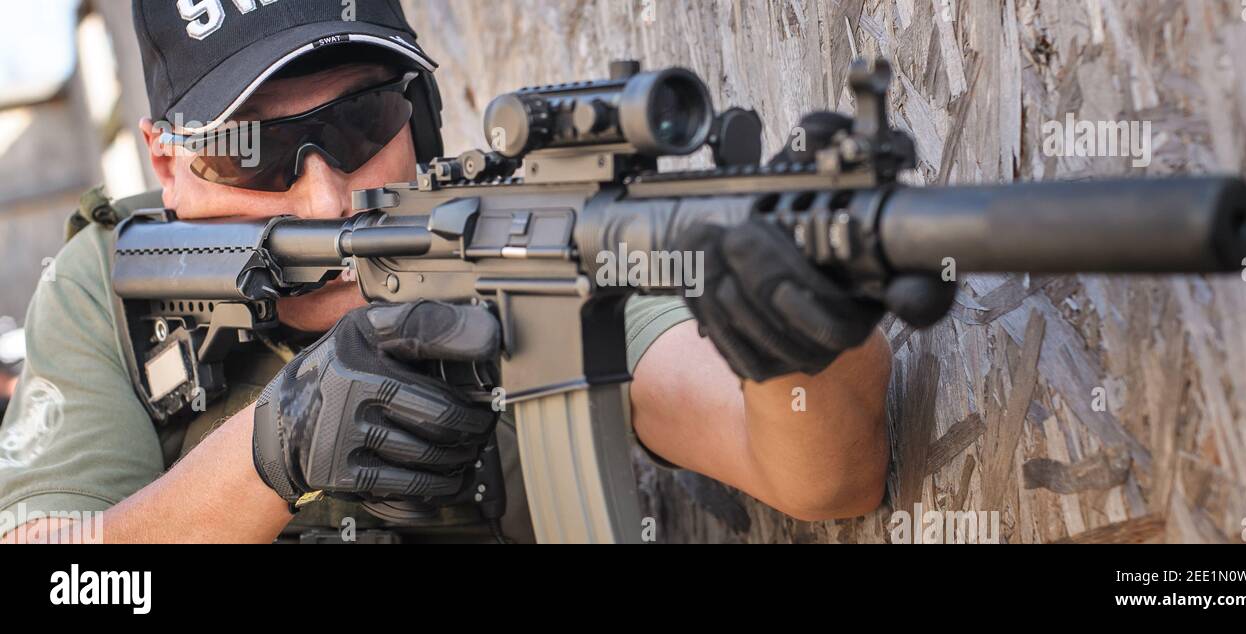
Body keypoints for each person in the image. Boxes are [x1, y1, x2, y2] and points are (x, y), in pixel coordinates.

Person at [0, 0, 897, 543]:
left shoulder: (515, 237)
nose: (324, 201)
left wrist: (808, 346)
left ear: (419, 112)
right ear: (165, 162)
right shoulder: (102, 290)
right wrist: (272, 451)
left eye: (361, 124)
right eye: (255, 155)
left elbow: (824, 481)